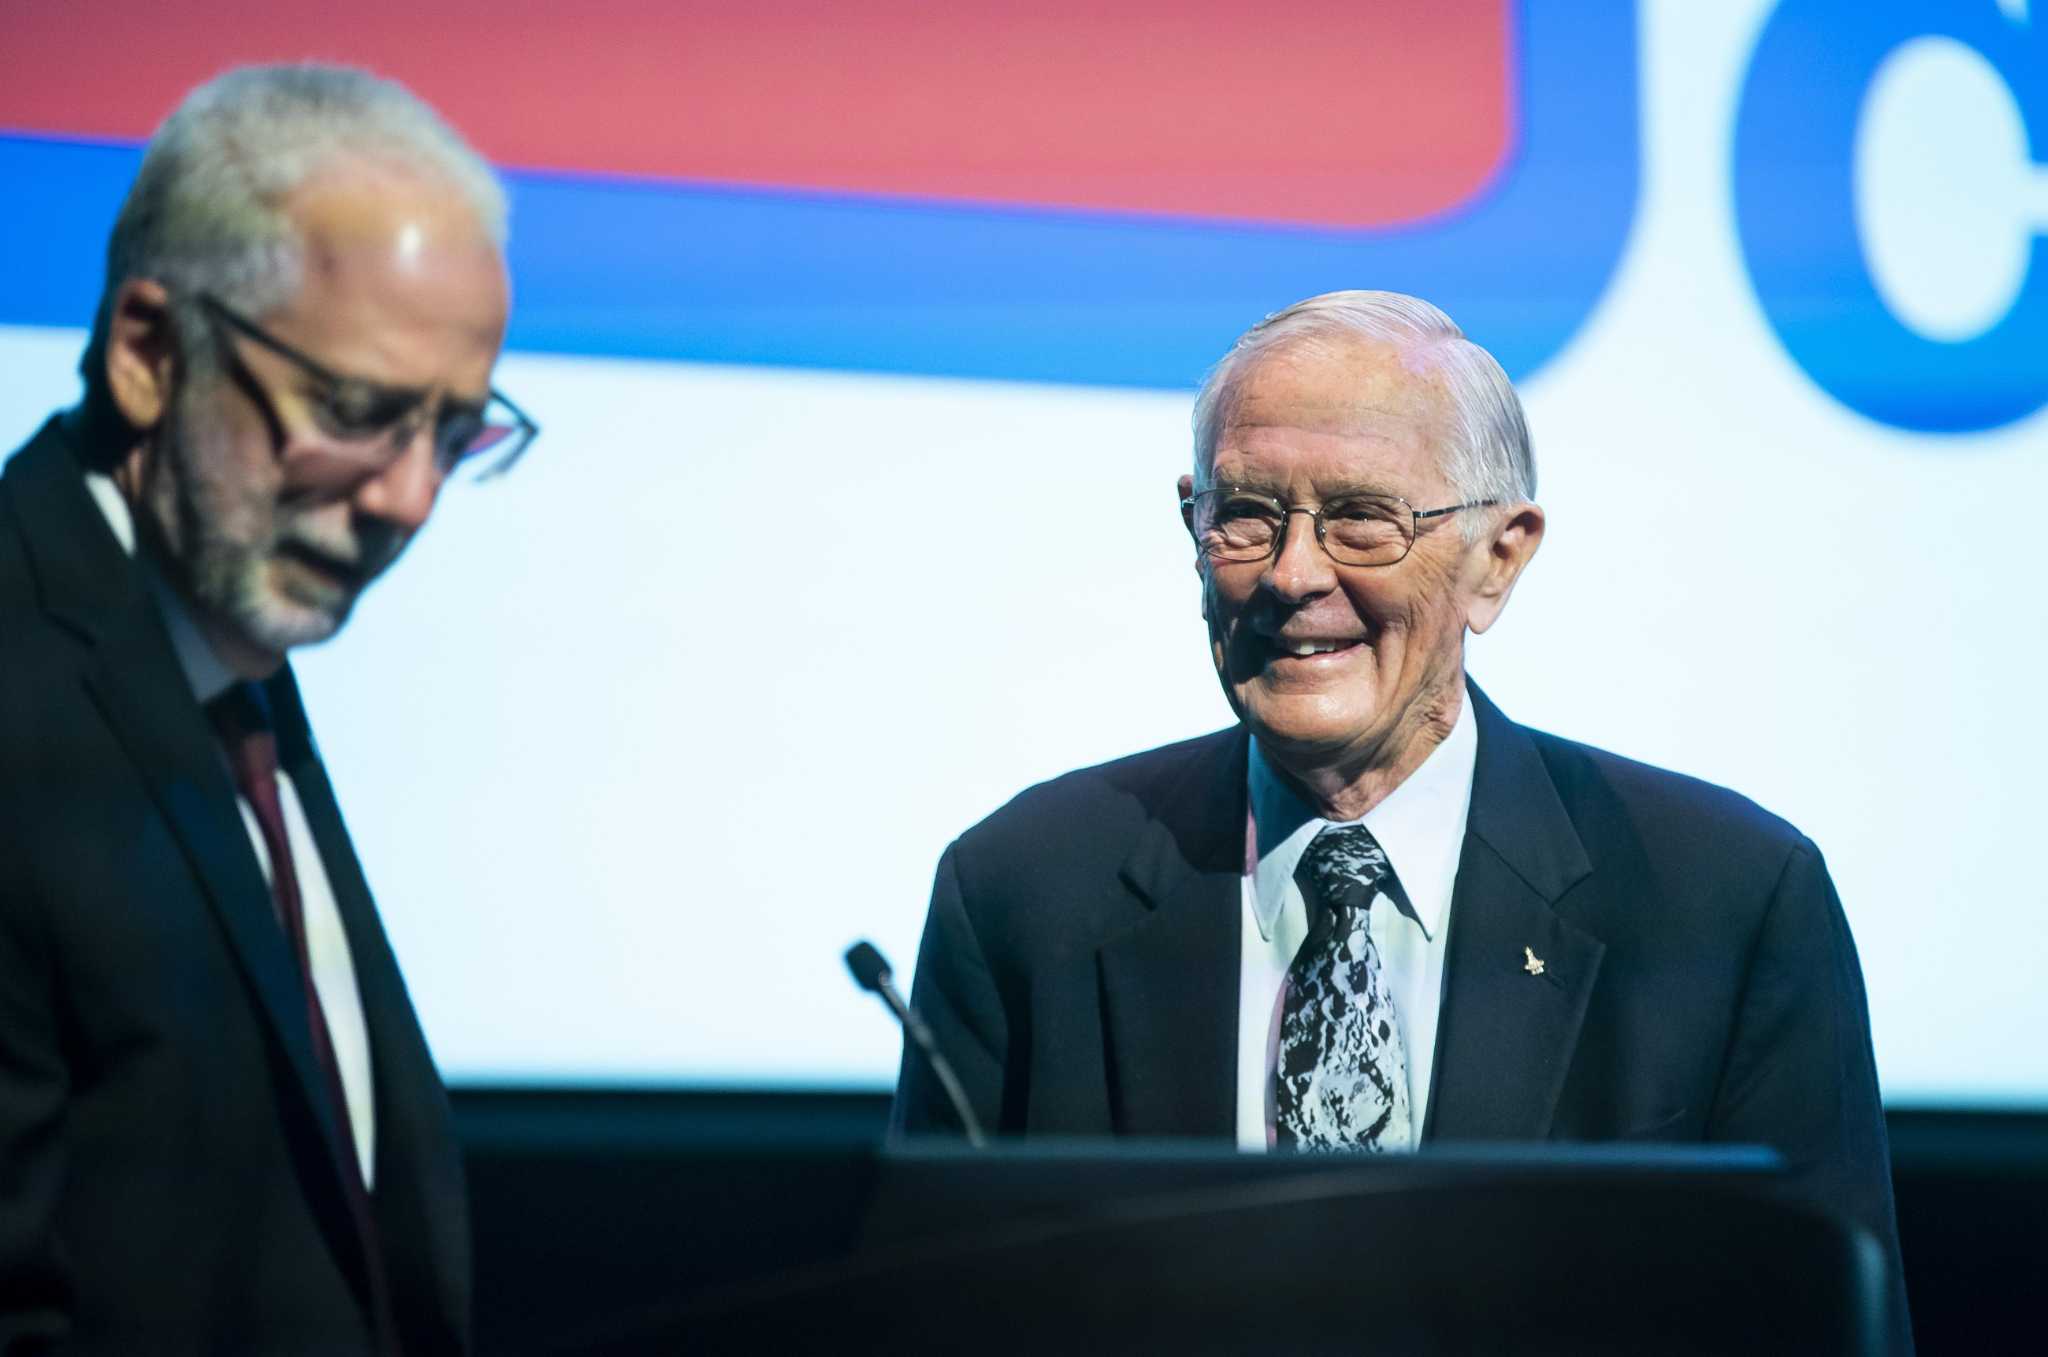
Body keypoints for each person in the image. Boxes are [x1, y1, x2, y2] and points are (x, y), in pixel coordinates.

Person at [893, 291, 1908, 1345]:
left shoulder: (1723, 903)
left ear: (1497, 558)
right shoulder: (1022, 891)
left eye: (1361, 520)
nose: (1291, 575)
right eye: (1244, 514)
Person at [0, 65, 536, 1354]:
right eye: (355, 414)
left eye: (453, 434)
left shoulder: (229, 673)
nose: (407, 496)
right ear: (147, 351)